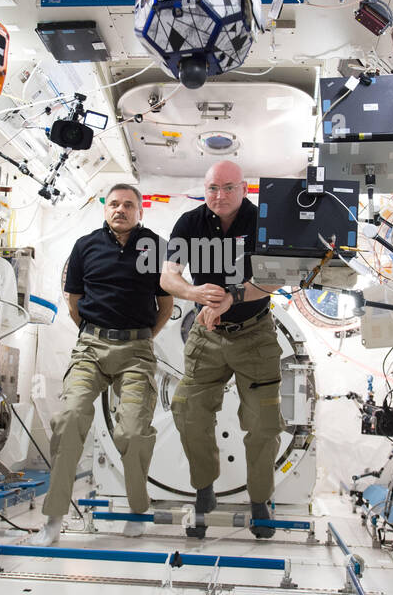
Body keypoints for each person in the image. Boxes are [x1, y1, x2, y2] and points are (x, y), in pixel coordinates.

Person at [32, 184, 173, 546]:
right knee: (70, 417)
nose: (120, 210)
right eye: (114, 204)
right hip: (91, 347)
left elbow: (166, 304)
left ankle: (138, 509)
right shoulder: (85, 246)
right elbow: (73, 299)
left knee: (131, 432)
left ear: (141, 211)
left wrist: (143, 338)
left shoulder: (156, 247)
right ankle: (53, 519)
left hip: (137, 350)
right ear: (105, 208)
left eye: (128, 205)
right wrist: (93, 334)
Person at [160, 160, 283, 539]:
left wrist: (230, 297)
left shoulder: (264, 221)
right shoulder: (189, 223)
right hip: (206, 336)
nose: (220, 195)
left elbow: (273, 277)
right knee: (186, 408)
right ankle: (204, 490)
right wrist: (194, 293)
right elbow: (168, 275)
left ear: (244, 189)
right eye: (213, 187)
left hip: (255, 333)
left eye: (229, 187)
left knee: (262, 423)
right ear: (205, 188)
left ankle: (260, 499)